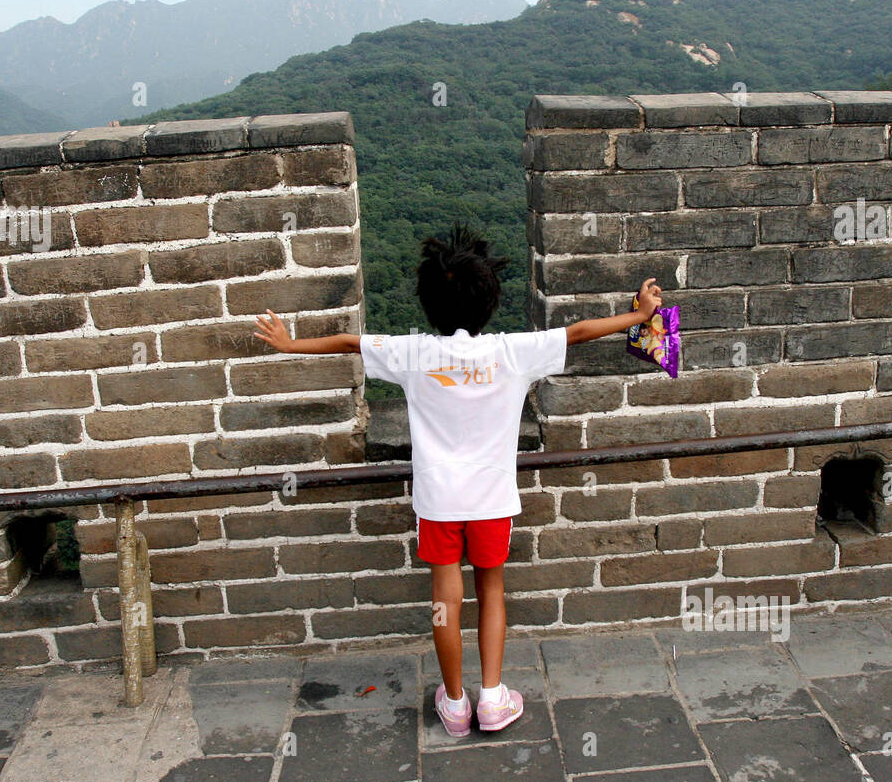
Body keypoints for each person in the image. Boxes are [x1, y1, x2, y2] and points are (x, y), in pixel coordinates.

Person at [254, 223, 662, 736]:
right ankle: (492, 698)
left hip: (438, 499)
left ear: (429, 303)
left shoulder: (414, 353)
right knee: (492, 589)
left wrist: (290, 346)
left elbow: (348, 342)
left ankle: (454, 702)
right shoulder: (512, 353)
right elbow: (578, 332)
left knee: (445, 601)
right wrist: (641, 315)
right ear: (489, 301)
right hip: (492, 498)